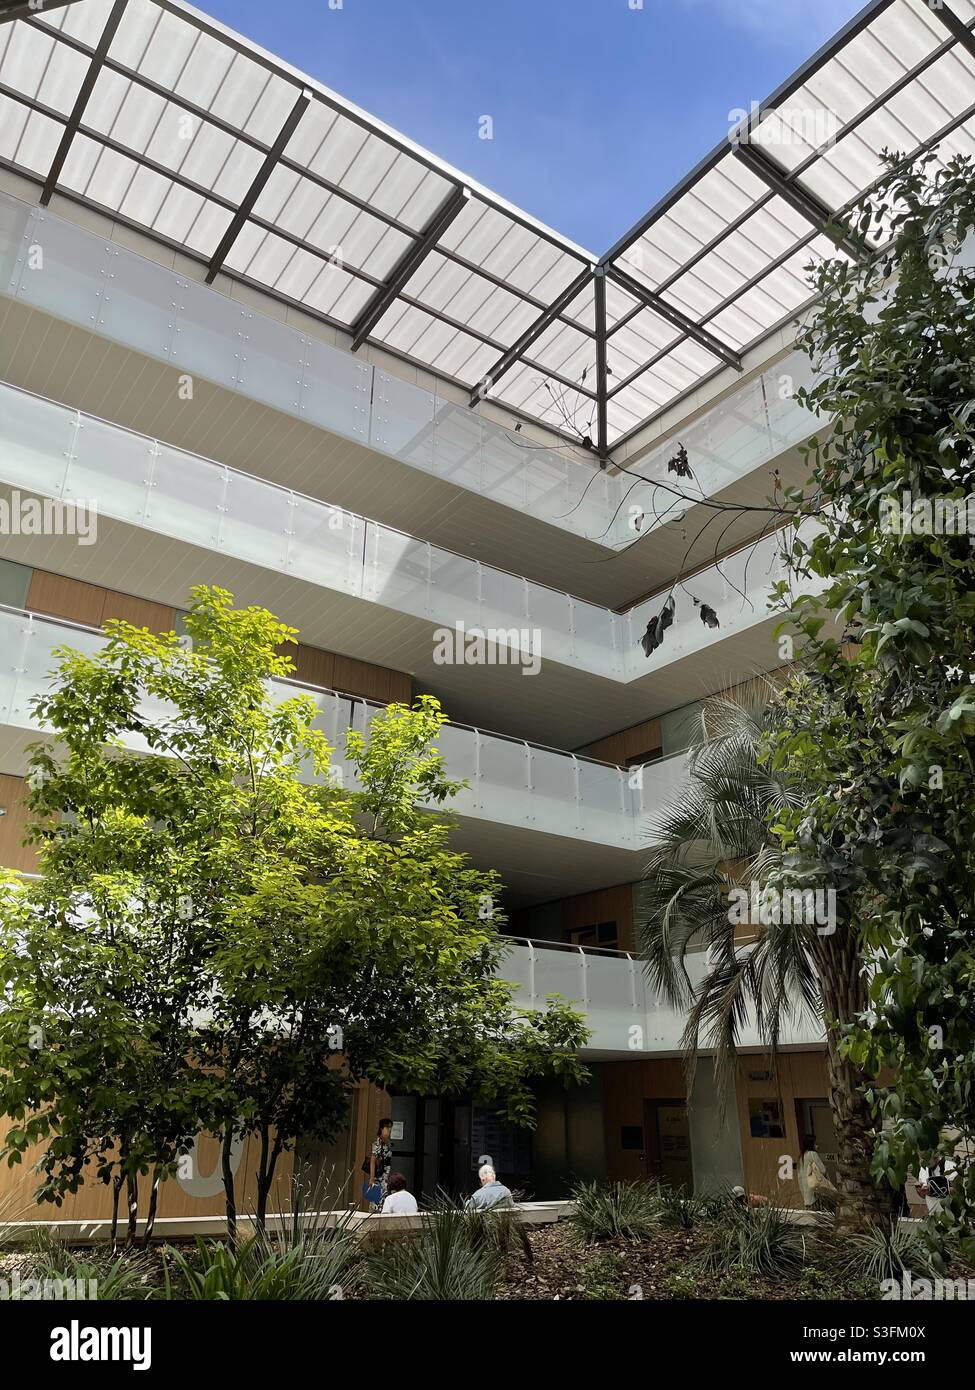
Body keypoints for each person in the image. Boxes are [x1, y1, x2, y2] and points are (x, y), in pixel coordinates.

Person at [798, 1134, 838, 1211]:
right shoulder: (812, 1154)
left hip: (806, 1198)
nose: (817, 1145)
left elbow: (800, 1177)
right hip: (816, 1195)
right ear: (811, 1144)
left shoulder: (801, 1157)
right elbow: (823, 1170)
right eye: (815, 1143)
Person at [362, 1117, 393, 1208]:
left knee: (382, 1201)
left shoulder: (386, 1143)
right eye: (387, 1128)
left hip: (384, 1177)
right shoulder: (378, 1143)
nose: (389, 1131)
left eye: (390, 1128)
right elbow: (373, 1159)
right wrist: (372, 1178)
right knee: (377, 1202)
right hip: (378, 1177)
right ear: (381, 1129)